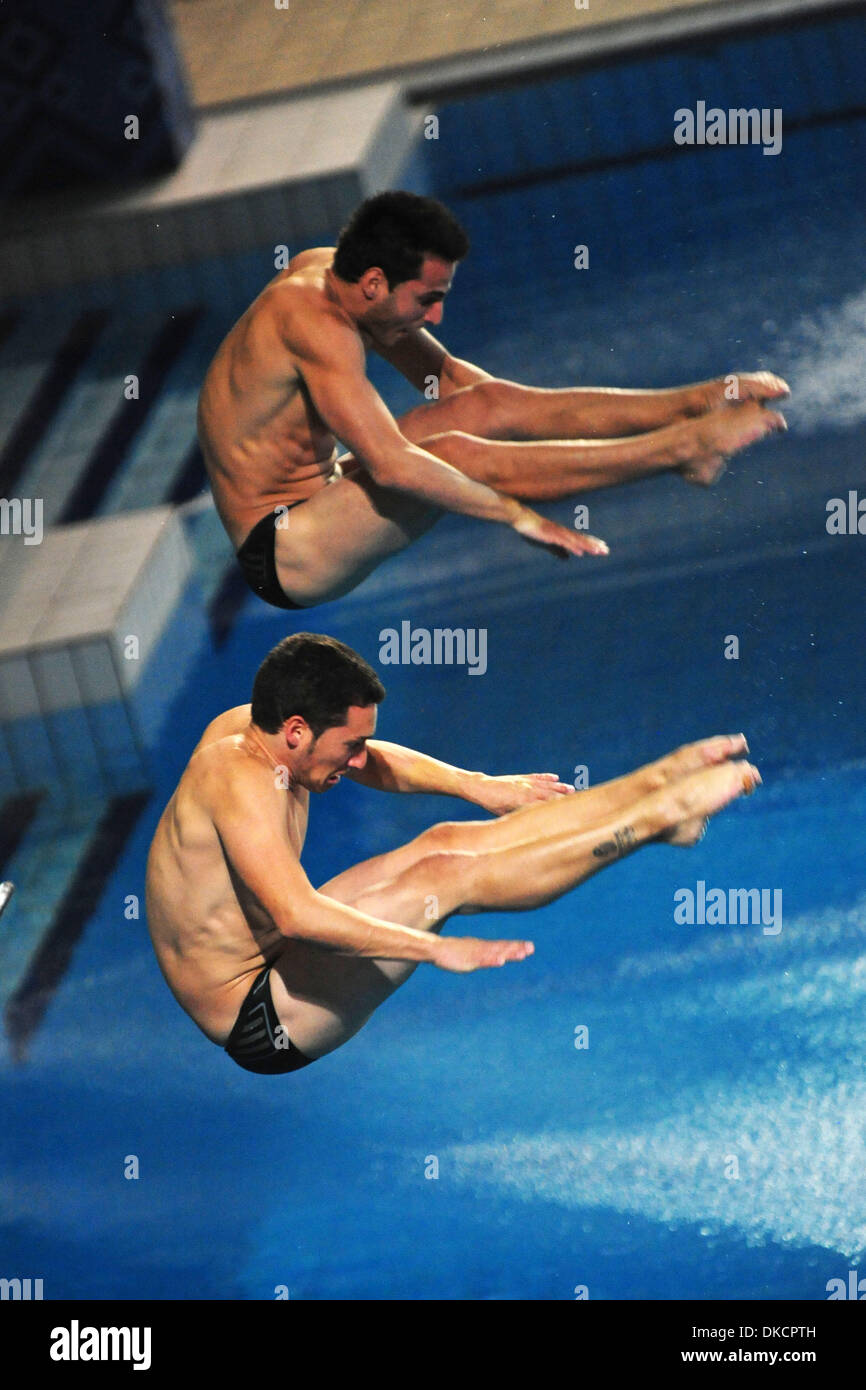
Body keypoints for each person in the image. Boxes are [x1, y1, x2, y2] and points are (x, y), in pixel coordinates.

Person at [145, 633, 761, 1075]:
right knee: (447, 879)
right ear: (299, 731)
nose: (359, 760)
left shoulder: (257, 727)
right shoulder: (240, 778)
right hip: (262, 1014)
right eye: (350, 745)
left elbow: (377, 760)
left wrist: (477, 784)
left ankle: (653, 784)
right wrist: (435, 947)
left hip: (277, 950)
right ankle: (653, 823)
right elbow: (297, 916)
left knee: (443, 840)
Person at [197, 190, 789, 610]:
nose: (437, 316)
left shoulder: (332, 272)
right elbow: (392, 465)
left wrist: (698, 396)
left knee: (481, 407)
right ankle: (682, 449)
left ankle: (689, 408)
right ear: (375, 284)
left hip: (321, 499)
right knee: (456, 450)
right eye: (427, 299)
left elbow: (458, 385)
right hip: (282, 551)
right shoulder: (316, 323)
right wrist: (515, 512)